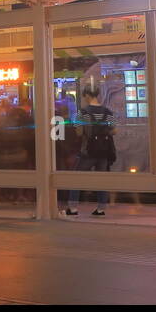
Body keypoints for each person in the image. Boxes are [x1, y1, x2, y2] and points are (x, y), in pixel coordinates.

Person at [63, 86, 117, 217]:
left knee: (76, 178)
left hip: (88, 151)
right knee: (101, 179)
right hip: (104, 151)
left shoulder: (82, 113)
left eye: (84, 96)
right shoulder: (107, 112)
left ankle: (73, 208)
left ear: (87, 95)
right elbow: (114, 131)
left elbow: (79, 132)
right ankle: (101, 208)